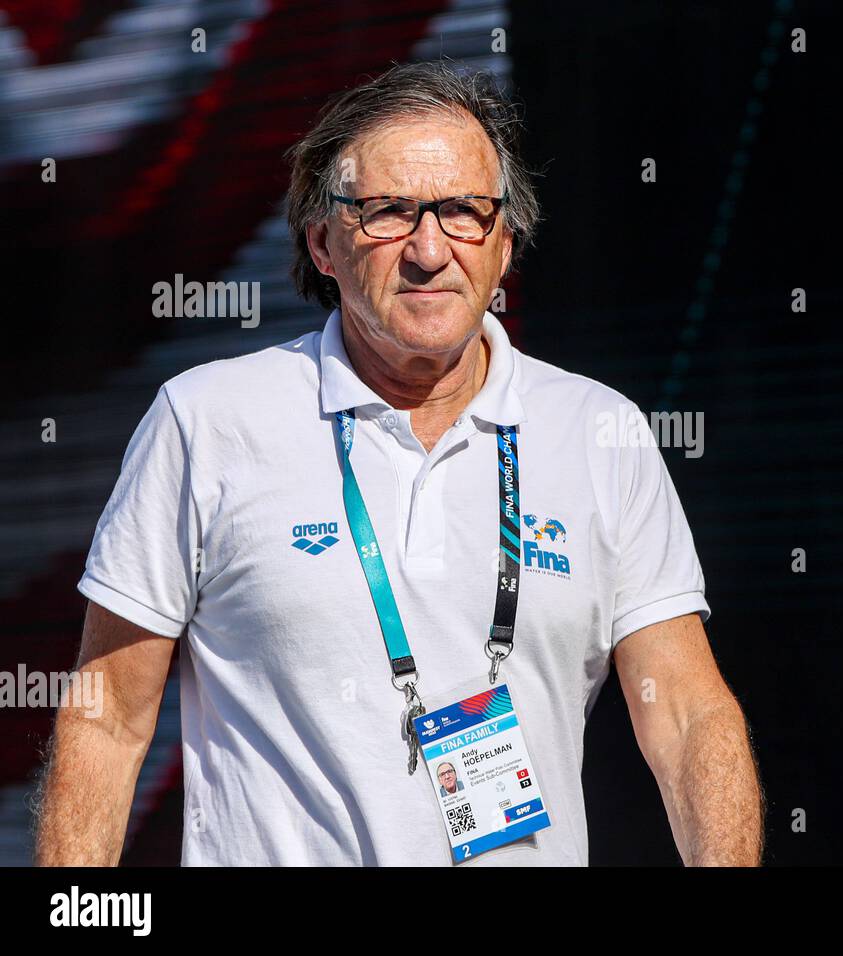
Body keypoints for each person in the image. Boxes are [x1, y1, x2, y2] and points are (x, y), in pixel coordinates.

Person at [33, 62, 763, 866]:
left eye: (461, 212)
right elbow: (108, 717)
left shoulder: (600, 431)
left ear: (504, 243)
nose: (428, 250)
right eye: (387, 213)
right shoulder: (206, 420)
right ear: (322, 242)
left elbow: (689, 713)